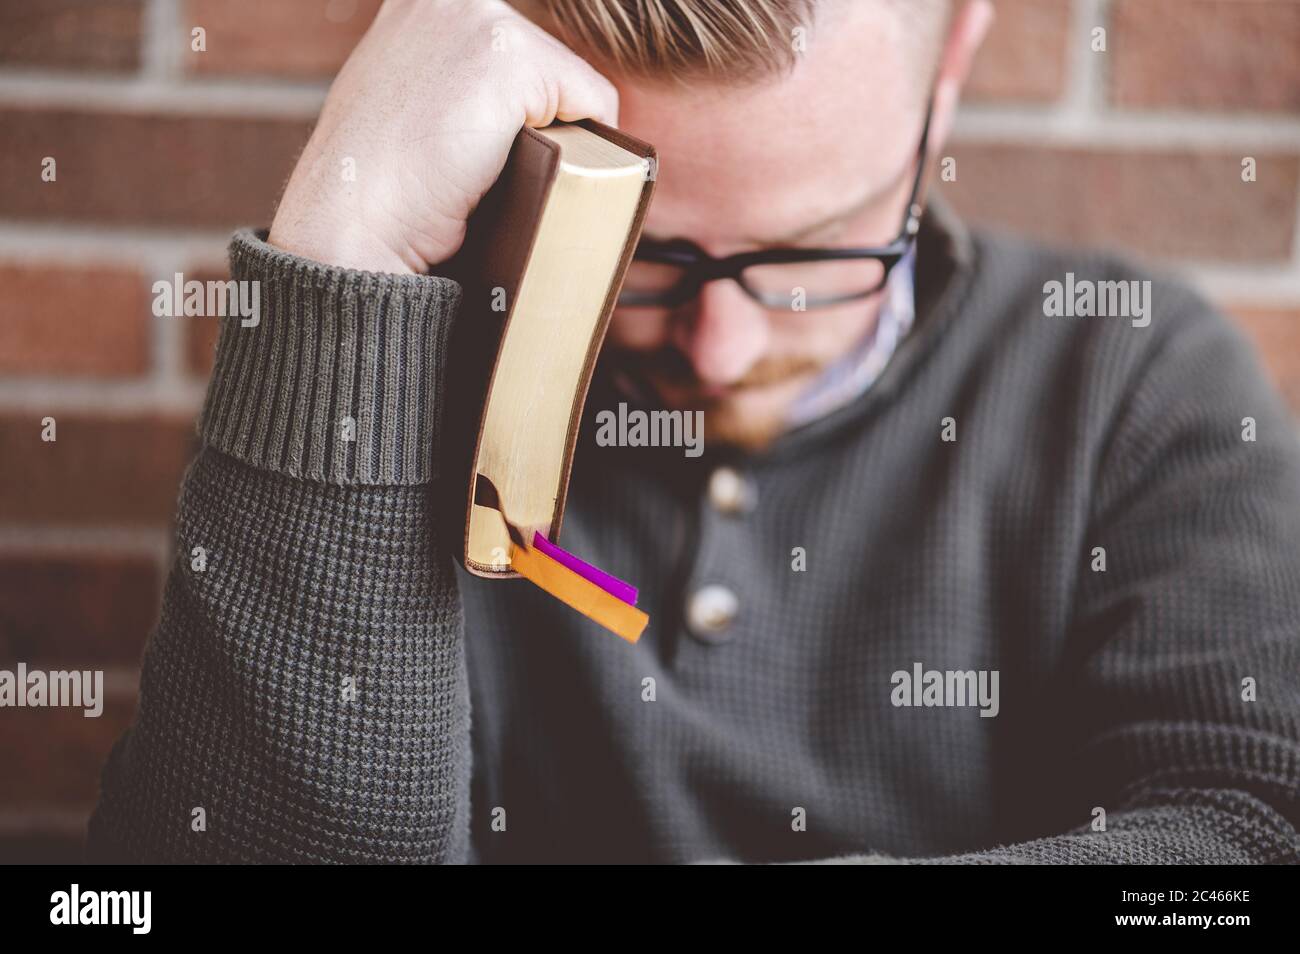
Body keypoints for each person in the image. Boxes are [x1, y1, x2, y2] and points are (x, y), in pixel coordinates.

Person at [87, 0, 1300, 864]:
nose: (717, 350)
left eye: (818, 252)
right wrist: (339, 256)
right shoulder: (374, 364)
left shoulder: (1135, 380)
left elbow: (1245, 838)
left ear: (956, 63)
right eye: (641, 252)